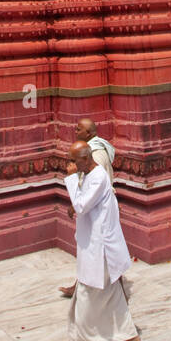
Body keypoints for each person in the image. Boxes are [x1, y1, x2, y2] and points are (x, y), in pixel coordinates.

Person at [54, 140, 140, 341]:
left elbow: (82, 205)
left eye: (73, 161)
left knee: (86, 293)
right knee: (111, 293)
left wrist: (72, 179)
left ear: (85, 158)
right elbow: (84, 204)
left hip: (99, 247)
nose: (70, 165)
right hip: (95, 244)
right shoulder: (91, 176)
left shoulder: (99, 177)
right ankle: (126, 336)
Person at [59, 118, 116, 298]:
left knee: (100, 255)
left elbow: (89, 189)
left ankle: (87, 287)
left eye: (79, 130)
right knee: (89, 253)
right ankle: (81, 285)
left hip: (98, 212)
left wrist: (73, 182)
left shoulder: (96, 155)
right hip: (93, 210)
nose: (75, 131)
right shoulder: (90, 151)